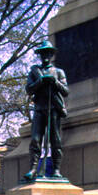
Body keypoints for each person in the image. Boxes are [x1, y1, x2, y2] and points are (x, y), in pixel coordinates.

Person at [23, 39, 69, 182]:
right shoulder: (34, 71)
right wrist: (41, 81)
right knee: (36, 140)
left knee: (55, 141)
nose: (45, 56)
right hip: (39, 109)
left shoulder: (59, 72)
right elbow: (29, 89)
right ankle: (33, 169)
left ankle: (56, 170)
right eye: (43, 53)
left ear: (51, 54)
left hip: (54, 109)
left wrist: (54, 82)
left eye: (48, 53)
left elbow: (65, 91)